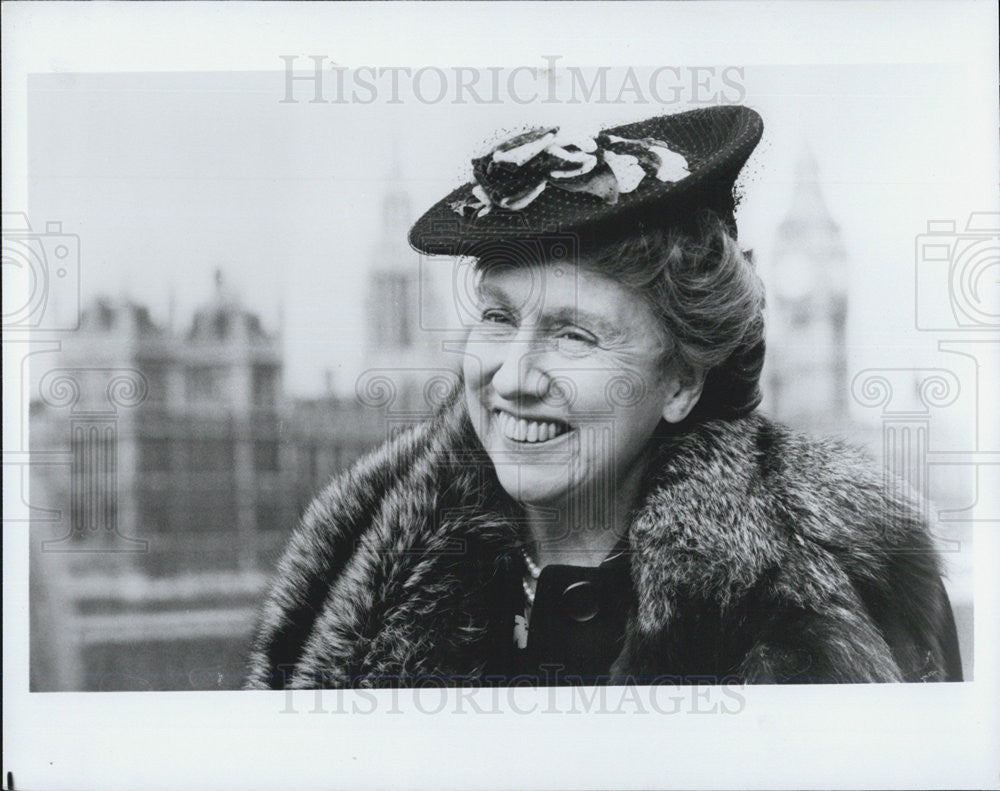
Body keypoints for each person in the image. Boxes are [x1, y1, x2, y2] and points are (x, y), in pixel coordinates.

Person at [245, 105, 962, 688]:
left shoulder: (858, 571)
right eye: (497, 317)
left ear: (682, 379)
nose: (515, 376)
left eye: (575, 336)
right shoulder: (347, 551)